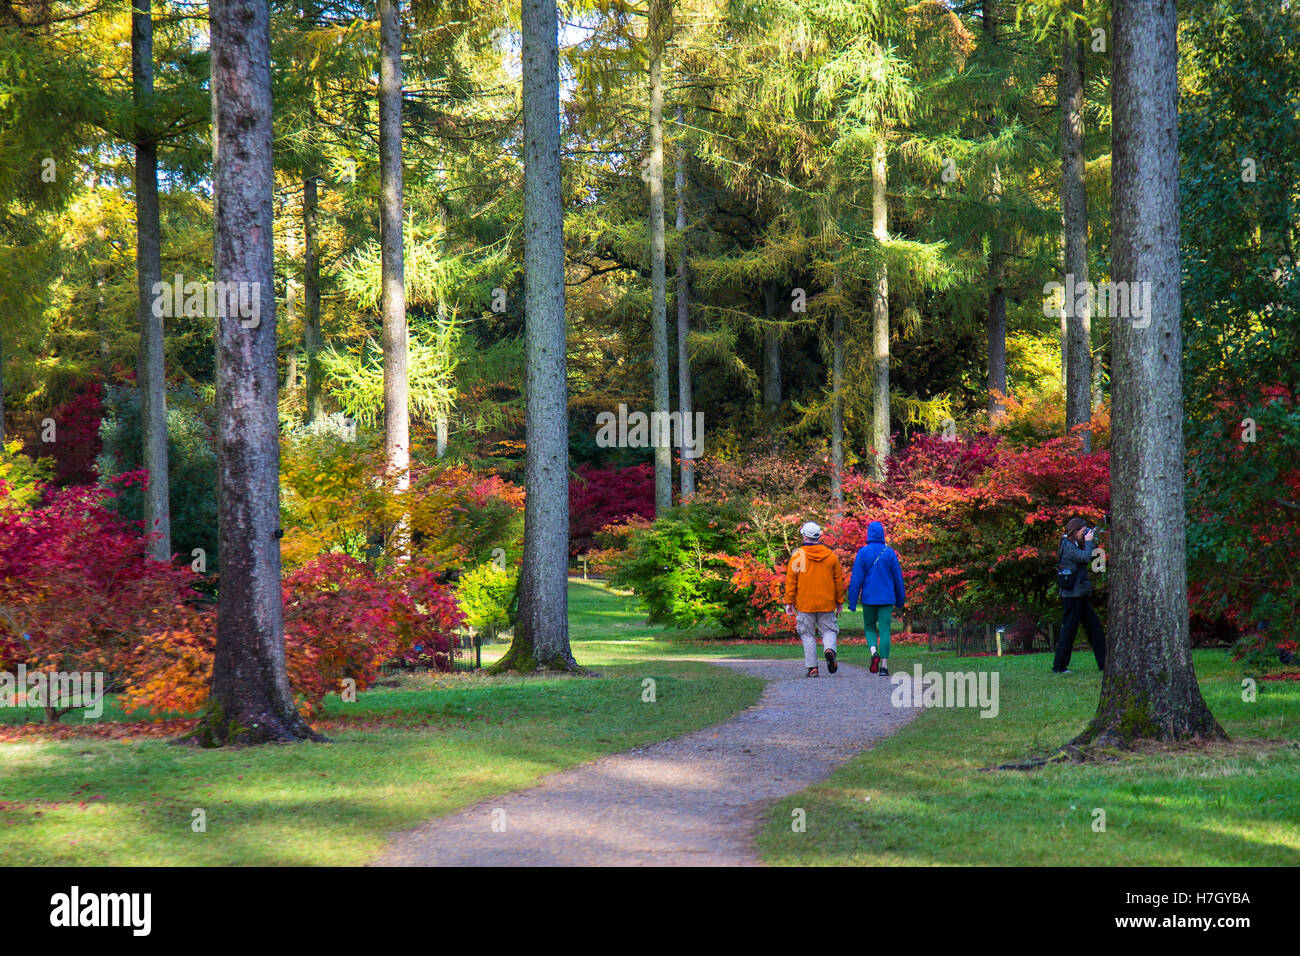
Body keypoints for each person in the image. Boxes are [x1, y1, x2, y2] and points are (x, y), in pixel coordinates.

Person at [784, 521, 846, 677]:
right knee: (829, 631)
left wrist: (789, 602)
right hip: (826, 602)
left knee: (807, 635)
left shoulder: (798, 556)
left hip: (805, 604)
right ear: (819, 536)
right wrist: (839, 601)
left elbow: (792, 581)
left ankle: (812, 668)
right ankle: (829, 649)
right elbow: (838, 581)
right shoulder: (830, 556)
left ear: (804, 536)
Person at [846, 520, 906, 676]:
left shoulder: (863, 553)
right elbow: (898, 578)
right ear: (882, 534)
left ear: (869, 534)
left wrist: (852, 601)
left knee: (869, 627)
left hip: (868, 598)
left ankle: (873, 652)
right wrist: (900, 599)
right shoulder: (889, 553)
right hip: (886, 598)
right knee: (885, 630)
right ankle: (884, 667)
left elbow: (856, 579)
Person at [1054, 516, 1107, 673]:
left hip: (1080, 595)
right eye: (1083, 532)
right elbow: (1085, 558)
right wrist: (1089, 541)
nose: (1085, 535)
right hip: (1071, 597)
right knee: (1069, 631)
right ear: (1075, 531)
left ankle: (1105, 664)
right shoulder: (1068, 545)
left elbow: (1094, 554)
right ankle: (1059, 666)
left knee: (1095, 630)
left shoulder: (1075, 544)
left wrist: (1093, 539)